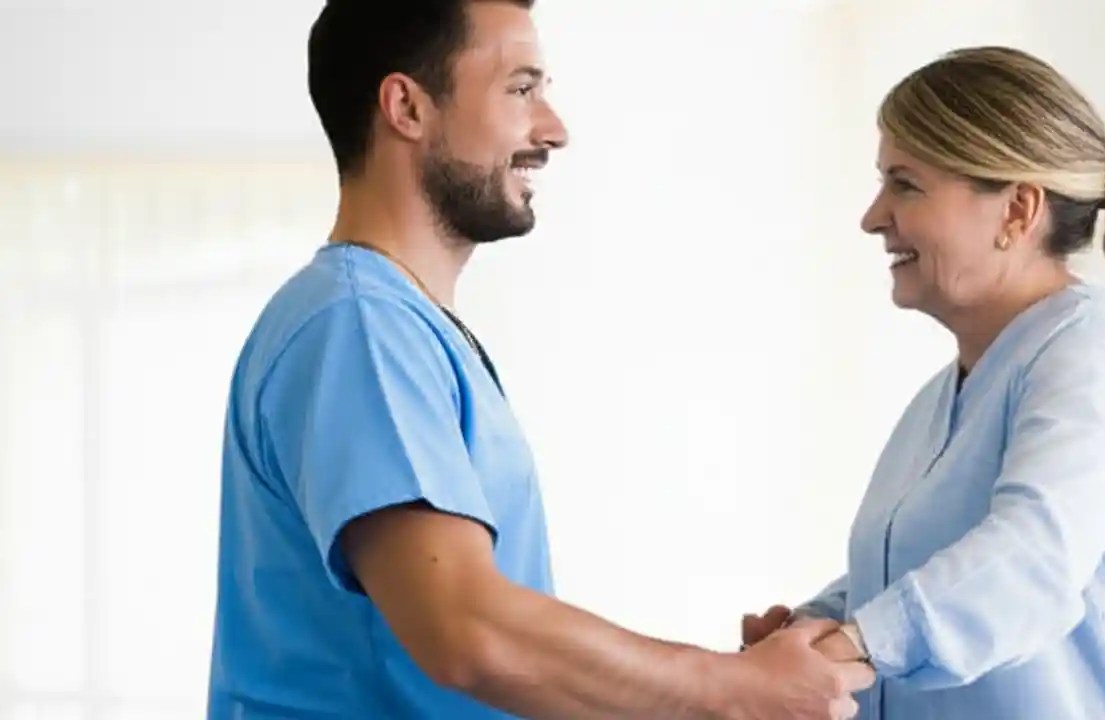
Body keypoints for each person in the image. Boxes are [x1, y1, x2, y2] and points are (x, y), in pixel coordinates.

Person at [205, 1, 873, 718]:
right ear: (406, 106)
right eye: (521, 89)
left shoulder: (401, 325)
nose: (552, 128)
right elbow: (466, 631)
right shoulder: (357, 326)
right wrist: (729, 691)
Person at [741, 46, 1105, 719]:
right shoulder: (951, 394)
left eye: (905, 184)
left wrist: (849, 648)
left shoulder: (1095, 356)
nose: (873, 216)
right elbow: (926, 570)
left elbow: (1028, 562)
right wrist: (816, 627)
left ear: (1016, 211)